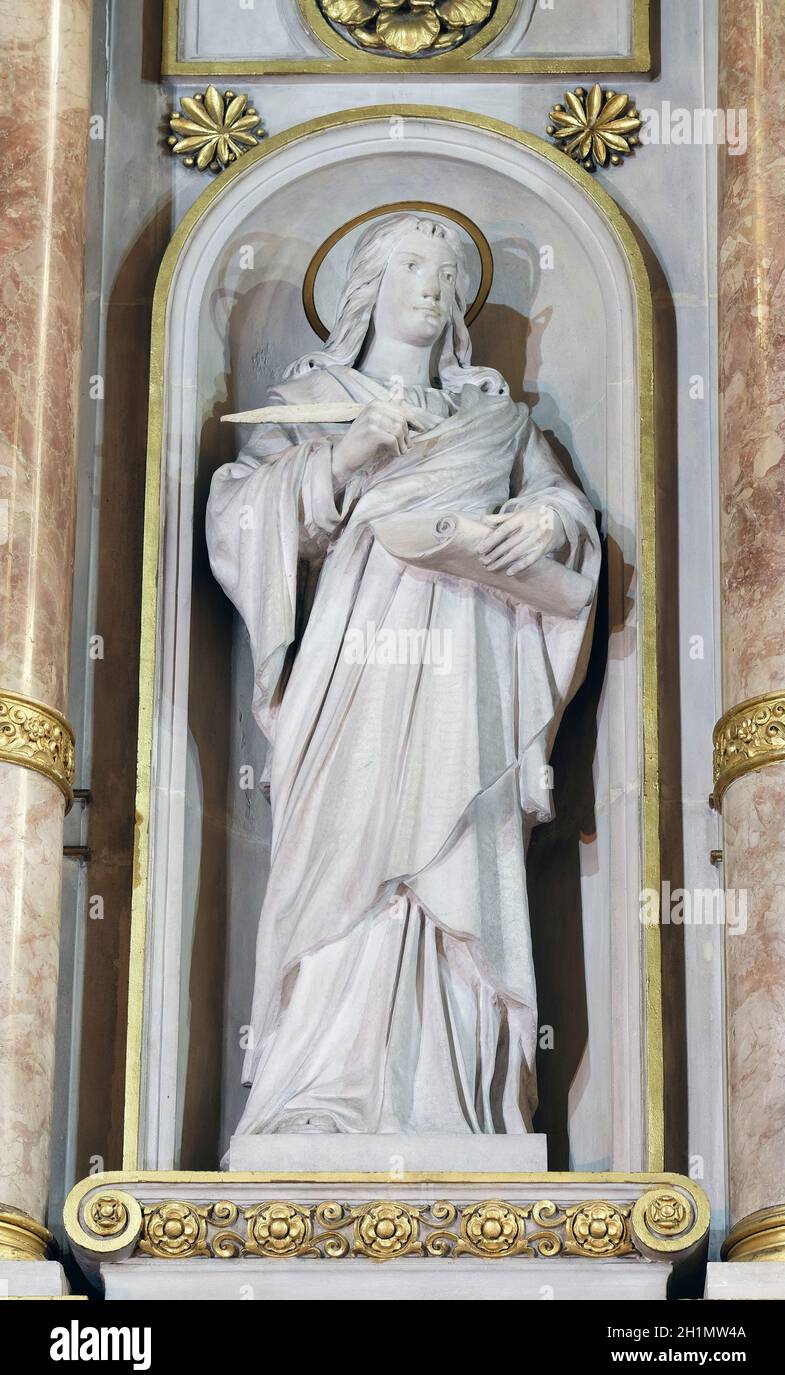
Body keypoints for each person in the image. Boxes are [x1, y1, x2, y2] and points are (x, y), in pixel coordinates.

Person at [206, 214, 599, 1139]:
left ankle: (453, 1104)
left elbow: (564, 507)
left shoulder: (496, 418)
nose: (435, 284)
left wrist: (543, 524)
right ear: (369, 287)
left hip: (468, 650)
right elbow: (236, 521)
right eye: (413, 265)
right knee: (344, 844)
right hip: (356, 655)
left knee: (457, 841)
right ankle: (319, 1091)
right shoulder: (311, 398)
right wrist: (346, 454)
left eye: (451, 272)